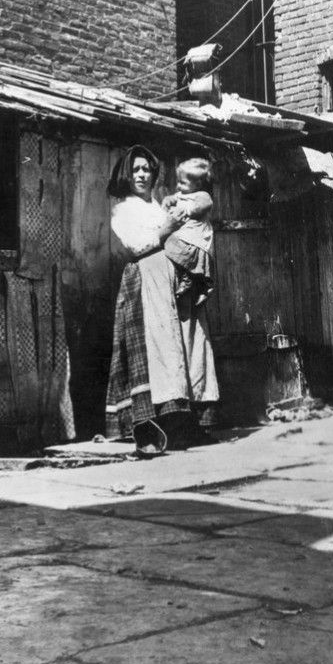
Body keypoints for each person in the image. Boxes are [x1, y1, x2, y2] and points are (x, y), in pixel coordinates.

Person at [105, 145, 220, 448]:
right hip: (147, 279)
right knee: (159, 351)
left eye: (147, 169)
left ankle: (189, 424)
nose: (142, 175)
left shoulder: (159, 204)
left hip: (175, 281)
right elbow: (134, 245)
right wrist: (165, 229)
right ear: (127, 175)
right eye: (136, 170)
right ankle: (158, 426)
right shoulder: (123, 210)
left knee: (186, 346)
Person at [161, 157, 214, 305]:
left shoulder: (202, 195)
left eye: (182, 183)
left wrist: (187, 210)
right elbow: (172, 198)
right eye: (178, 182)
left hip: (195, 235)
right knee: (172, 247)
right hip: (185, 234)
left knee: (182, 251)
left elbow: (205, 205)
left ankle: (192, 280)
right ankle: (188, 277)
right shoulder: (181, 194)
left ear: (197, 184)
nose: (178, 186)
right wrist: (167, 201)